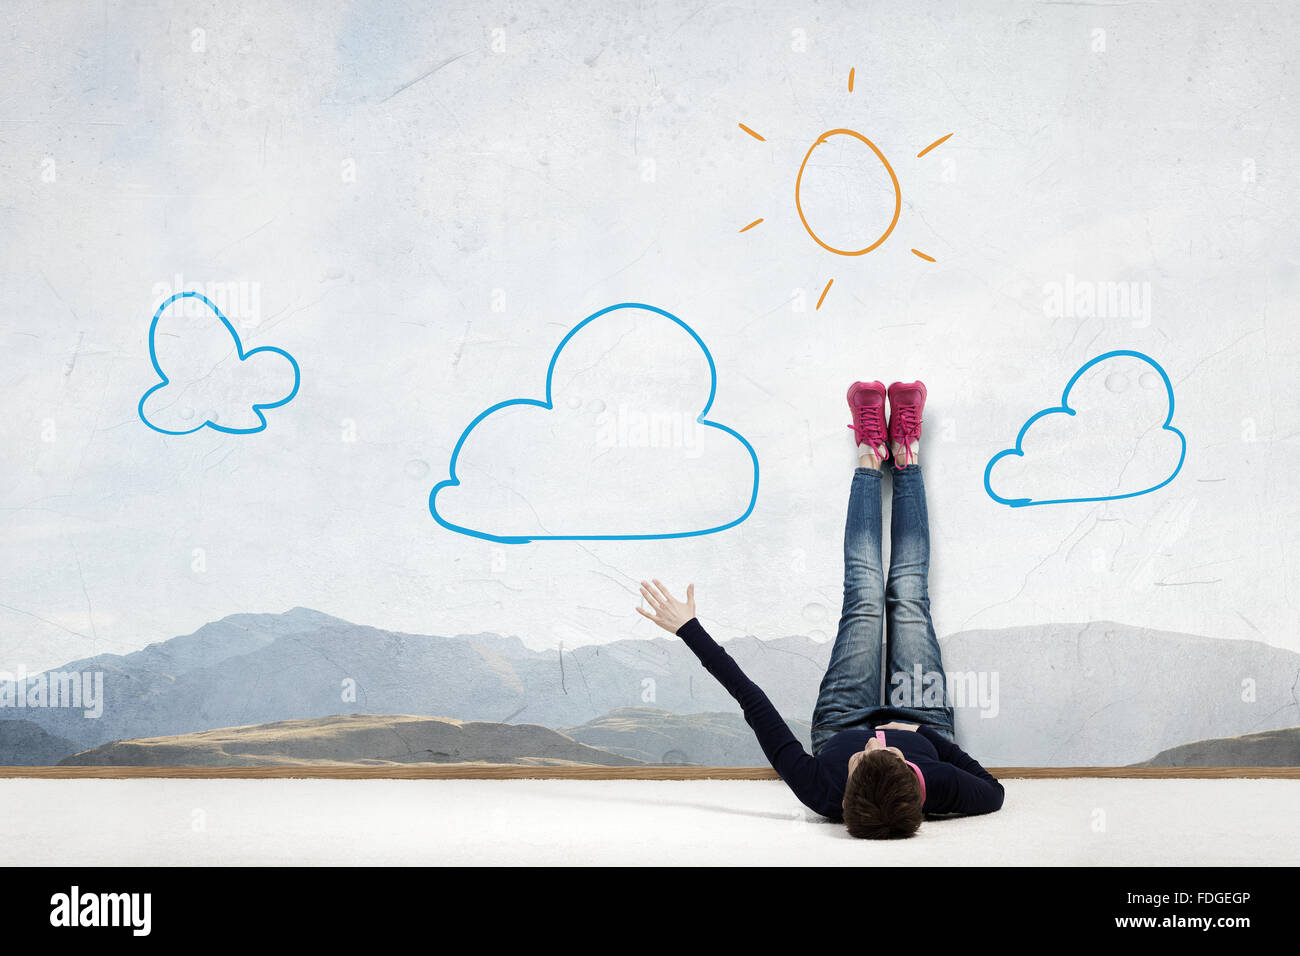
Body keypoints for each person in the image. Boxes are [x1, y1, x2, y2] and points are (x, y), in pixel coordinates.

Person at [637, 380, 1004, 838]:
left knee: (865, 596)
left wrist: (688, 629)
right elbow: (995, 793)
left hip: (842, 716)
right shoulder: (944, 785)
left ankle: (871, 454)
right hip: (921, 716)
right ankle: (906, 454)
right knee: (908, 595)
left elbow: (752, 701)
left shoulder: (819, 789)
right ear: (914, 776)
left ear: (845, 789)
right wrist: (922, 737)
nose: (874, 739)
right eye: (884, 750)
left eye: (861, 756)